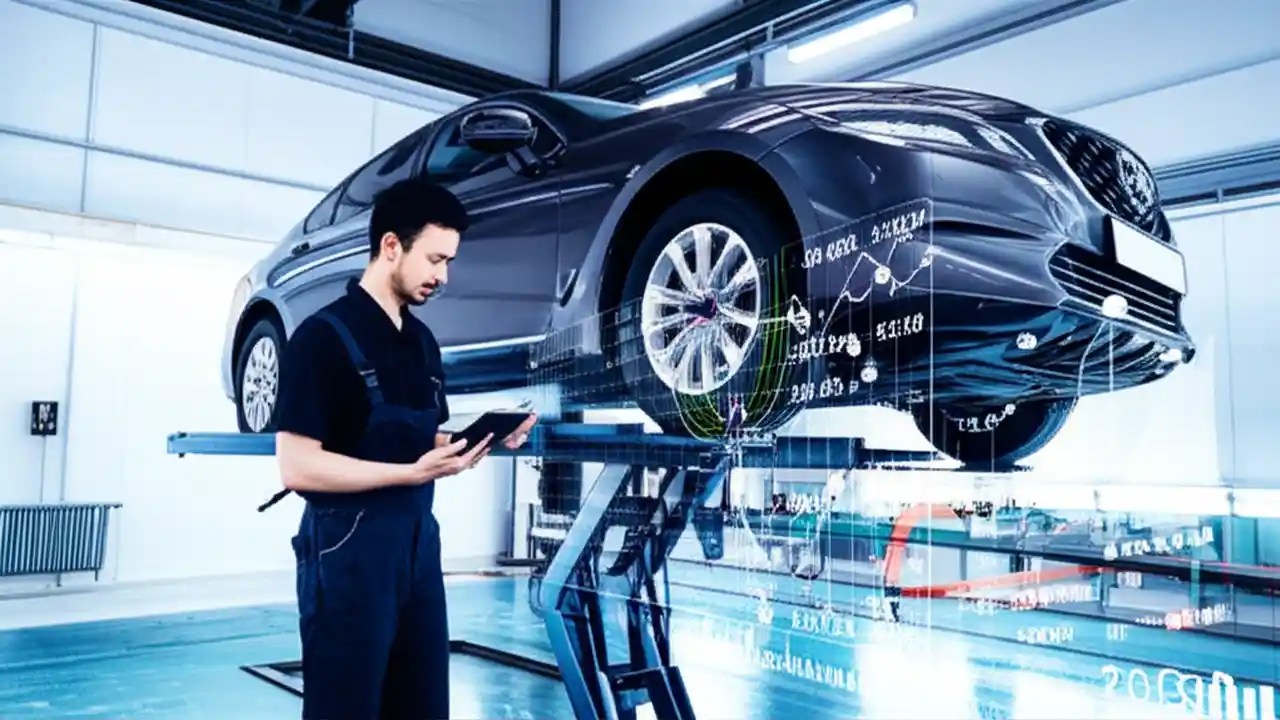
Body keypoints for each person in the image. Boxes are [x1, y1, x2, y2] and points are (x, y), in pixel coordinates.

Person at [272, 177, 537, 719]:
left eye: (449, 261)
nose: (444, 276)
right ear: (391, 246)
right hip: (347, 549)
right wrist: (410, 474)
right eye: (435, 259)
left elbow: (421, 439)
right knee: (347, 708)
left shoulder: (421, 342)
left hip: (417, 546)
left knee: (421, 706)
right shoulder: (321, 339)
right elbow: (298, 466)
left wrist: (484, 438)